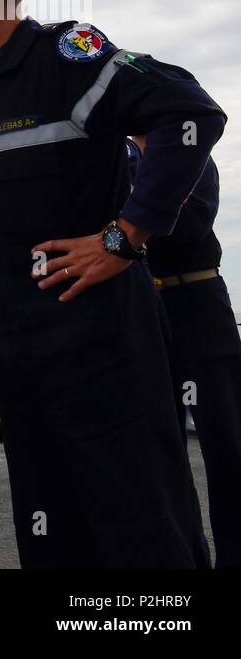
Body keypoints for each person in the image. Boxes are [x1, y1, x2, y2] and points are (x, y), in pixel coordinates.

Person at [0, 0, 224, 567]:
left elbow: (190, 113)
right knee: (51, 531)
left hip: (100, 353)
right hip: (26, 364)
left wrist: (124, 236)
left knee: (141, 526)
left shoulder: (65, 55)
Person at [128, 138, 241, 568]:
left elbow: (189, 221)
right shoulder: (121, 159)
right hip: (147, 308)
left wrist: (126, 227)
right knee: (161, 447)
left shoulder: (188, 152)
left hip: (198, 301)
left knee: (227, 443)